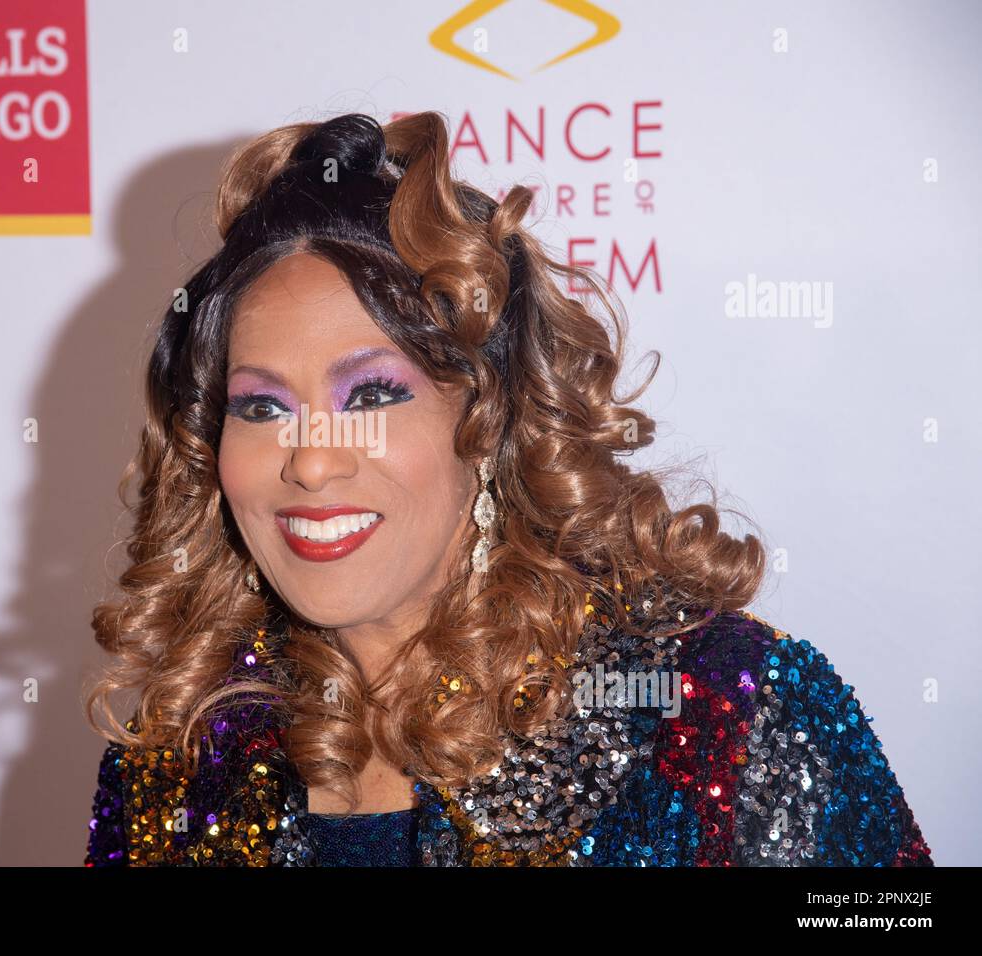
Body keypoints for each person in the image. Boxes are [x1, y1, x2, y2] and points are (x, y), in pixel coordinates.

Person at [81, 111, 932, 866]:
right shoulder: (181, 751)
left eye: (373, 396)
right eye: (262, 405)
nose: (308, 461)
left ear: (491, 422)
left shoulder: (715, 712)